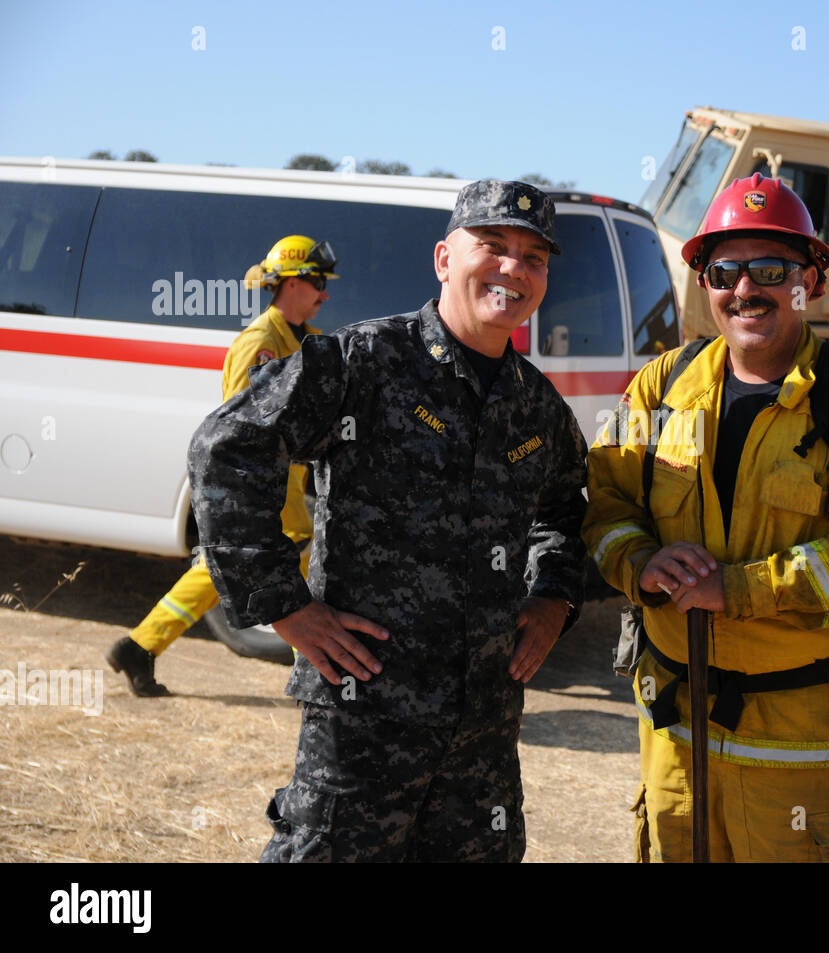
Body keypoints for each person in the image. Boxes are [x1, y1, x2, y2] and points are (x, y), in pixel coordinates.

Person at [188, 180, 587, 863]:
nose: (513, 268)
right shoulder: (363, 363)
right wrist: (285, 605)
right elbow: (227, 448)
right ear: (443, 259)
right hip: (364, 722)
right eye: (492, 246)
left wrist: (553, 597)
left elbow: (568, 506)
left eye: (533, 256)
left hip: (481, 739)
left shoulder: (536, 406)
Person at [583, 174, 829, 862]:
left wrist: (735, 590)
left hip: (808, 749)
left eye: (770, 270)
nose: (746, 289)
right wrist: (639, 563)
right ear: (705, 283)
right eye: (725, 270)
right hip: (678, 734)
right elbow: (604, 503)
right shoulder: (660, 386)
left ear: (811, 283)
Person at [105, 235, 337, 696]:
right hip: (261, 479)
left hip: (290, 474)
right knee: (297, 559)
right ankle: (317, 677)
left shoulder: (310, 340)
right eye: (317, 283)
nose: (325, 294)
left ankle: (140, 646)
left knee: (227, 566)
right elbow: (241, 422)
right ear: (290, 284)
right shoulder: (260, 342)